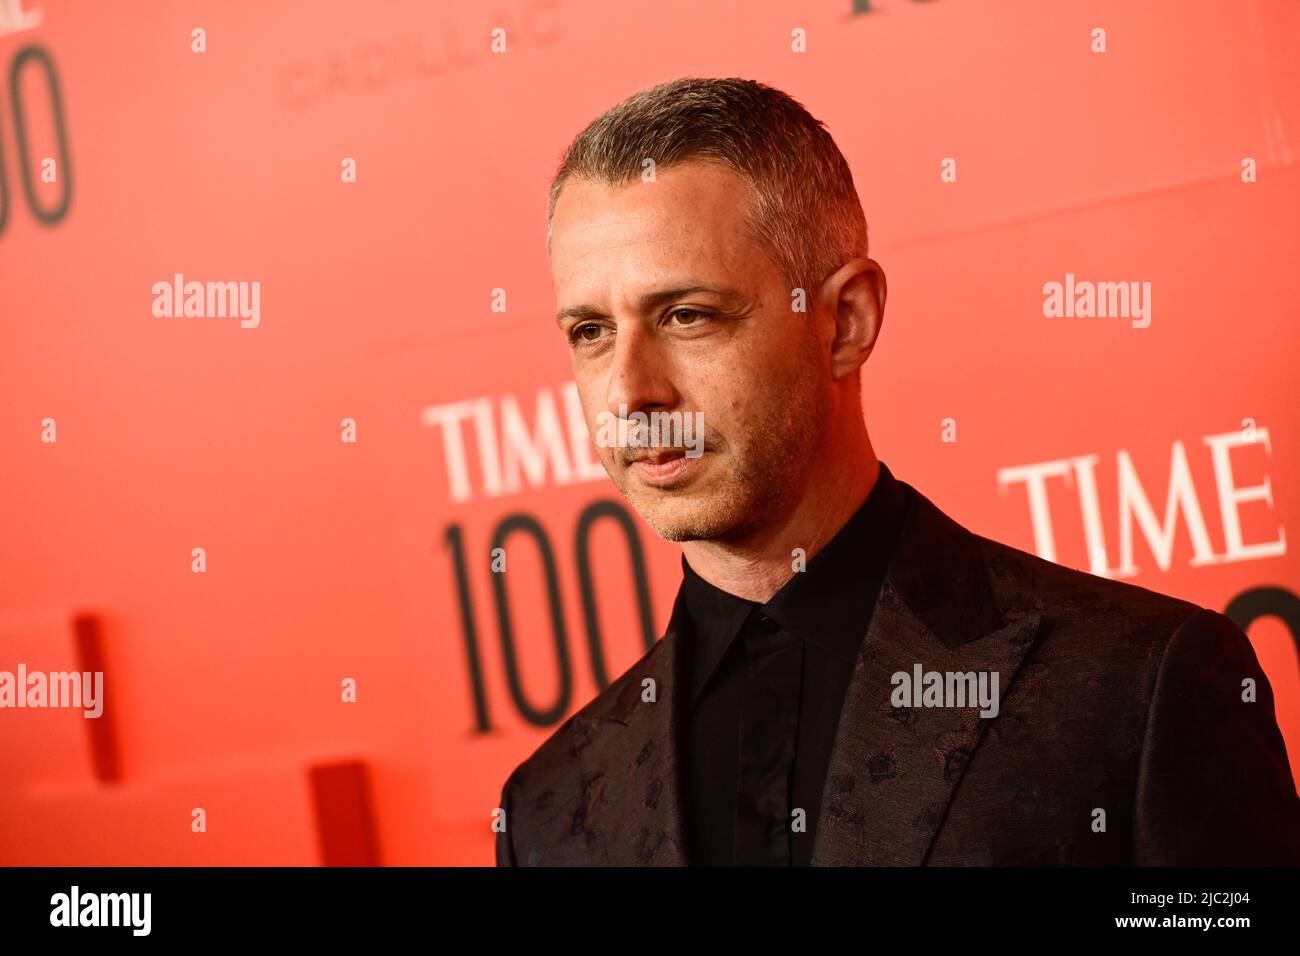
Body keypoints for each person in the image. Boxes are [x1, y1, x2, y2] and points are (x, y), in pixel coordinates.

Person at [494, 76, 1300, 866]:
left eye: (687, 315)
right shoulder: (549, 808)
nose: (631, 391)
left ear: (846, 321)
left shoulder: (1138, 688)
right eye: (591, 331)